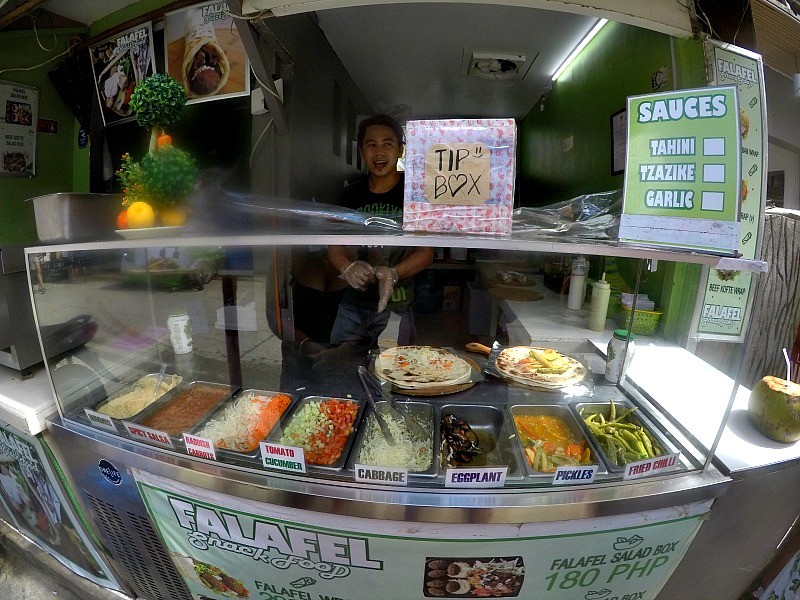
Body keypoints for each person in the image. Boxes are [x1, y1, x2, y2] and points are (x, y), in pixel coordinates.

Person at [328, 114, 433, 349]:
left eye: (388, 144)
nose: (379, 152)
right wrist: (348, 267)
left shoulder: (414, 195)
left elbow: (426, 253)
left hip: (397, 305)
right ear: (361, 151)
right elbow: (334, 247)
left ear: (400, 150)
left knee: (394, 374)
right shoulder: (349, 195)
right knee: (339, 367)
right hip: (352, 304)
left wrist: (393, 273)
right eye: (371, 144)